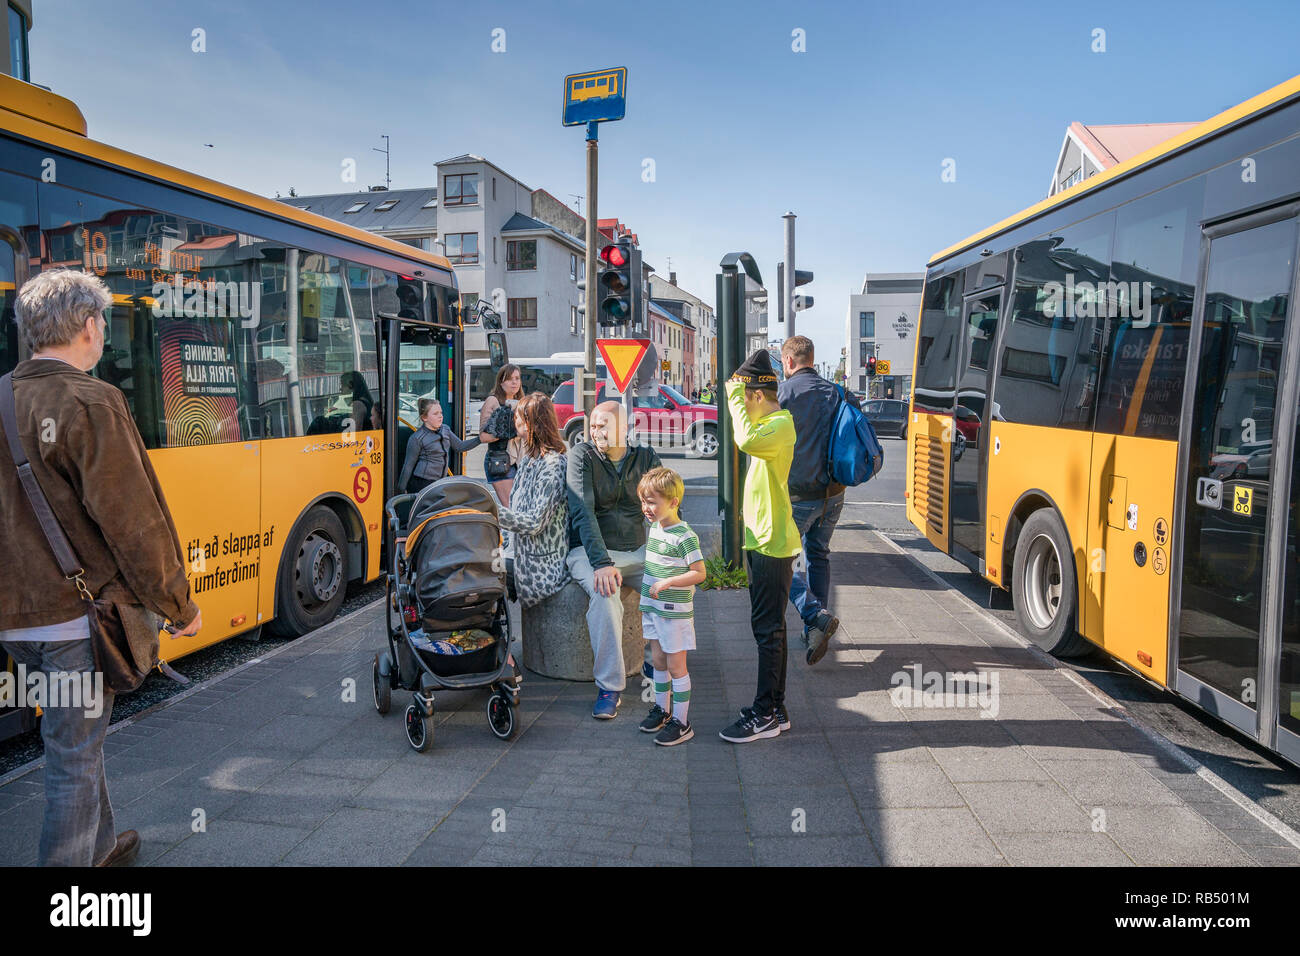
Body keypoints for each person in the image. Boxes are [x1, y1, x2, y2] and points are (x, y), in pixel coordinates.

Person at [0, 269, 202, 866]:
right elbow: (134, 523)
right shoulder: (91, 400)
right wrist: (178, 606)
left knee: (76, 744)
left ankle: (102, 847)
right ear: (89, 326)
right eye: (103, 324)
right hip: (73, 622)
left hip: (16, 623)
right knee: (71, 761)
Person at [717, 349, 800, 744]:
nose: (740, 407)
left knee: (767, 631)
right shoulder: (772, 427)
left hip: (771, 544)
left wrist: (732, 394)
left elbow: (743, 437)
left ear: (754, 396)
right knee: (771, 629)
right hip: (765, 540)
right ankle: (775, 708)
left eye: (743, 399)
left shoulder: (778, 424)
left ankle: (765, 712)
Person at [566, 400, 661, 719]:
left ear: (624, 428)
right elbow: (583, 510)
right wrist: (601, 562)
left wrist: (671, 549)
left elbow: (666, 505)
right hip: (591, 552)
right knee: (606, 595)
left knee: (672, 586)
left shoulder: (645, 457)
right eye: (592, 425)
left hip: (636, 549)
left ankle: (655, 662)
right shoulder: (582, 456)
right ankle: (610, 686)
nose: (595, 432)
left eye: (603, 425)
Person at [779, 335, 858, 665]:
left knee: (780, 561)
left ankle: (815, 617)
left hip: (799, 494)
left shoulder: (783, 394)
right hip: (835, 493)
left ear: (788, 361)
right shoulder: (838, 391)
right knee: (819, 555)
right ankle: (816, 627)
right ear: (812, 358)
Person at [636, 466, 705, 746]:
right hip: (653, 608)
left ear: (673, 502)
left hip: (674, 614)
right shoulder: (655, 528)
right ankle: (662, 711)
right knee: (658, 662)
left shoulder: (684, 536)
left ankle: (682, 721)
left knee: (677, 667)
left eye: (652, 501)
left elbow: (699, 573)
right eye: (643, 501)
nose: (646, 508)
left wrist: (669, 583)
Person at [497, 392, 571, 608]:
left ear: (530, 424)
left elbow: (533, 522)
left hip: (539, 565)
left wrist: (490, 510)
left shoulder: (553, 465)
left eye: (518, 417)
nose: (514, 421)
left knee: (476, 574)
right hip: (518, 553)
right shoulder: (530, 459)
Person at [398, 397, 479, 495]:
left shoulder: (446, 430)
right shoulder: (417, 438)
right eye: (435, 414)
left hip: (440, 482)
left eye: (441, 413)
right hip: (423, 483)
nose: (440, 416)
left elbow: (460, 446)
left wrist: (480, 439)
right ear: (424, 418)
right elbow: (408, 465)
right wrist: (401, 489)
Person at [479, 363, 522, 506]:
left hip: (520, 460)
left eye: (517, 378)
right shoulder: (493, 400)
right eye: (510, 378)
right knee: (511, 507)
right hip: (500, 459)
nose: (514, 382)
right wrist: (507, 433)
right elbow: (483, 437)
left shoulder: (522, 402)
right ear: (501, 381)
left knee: (520, 506)